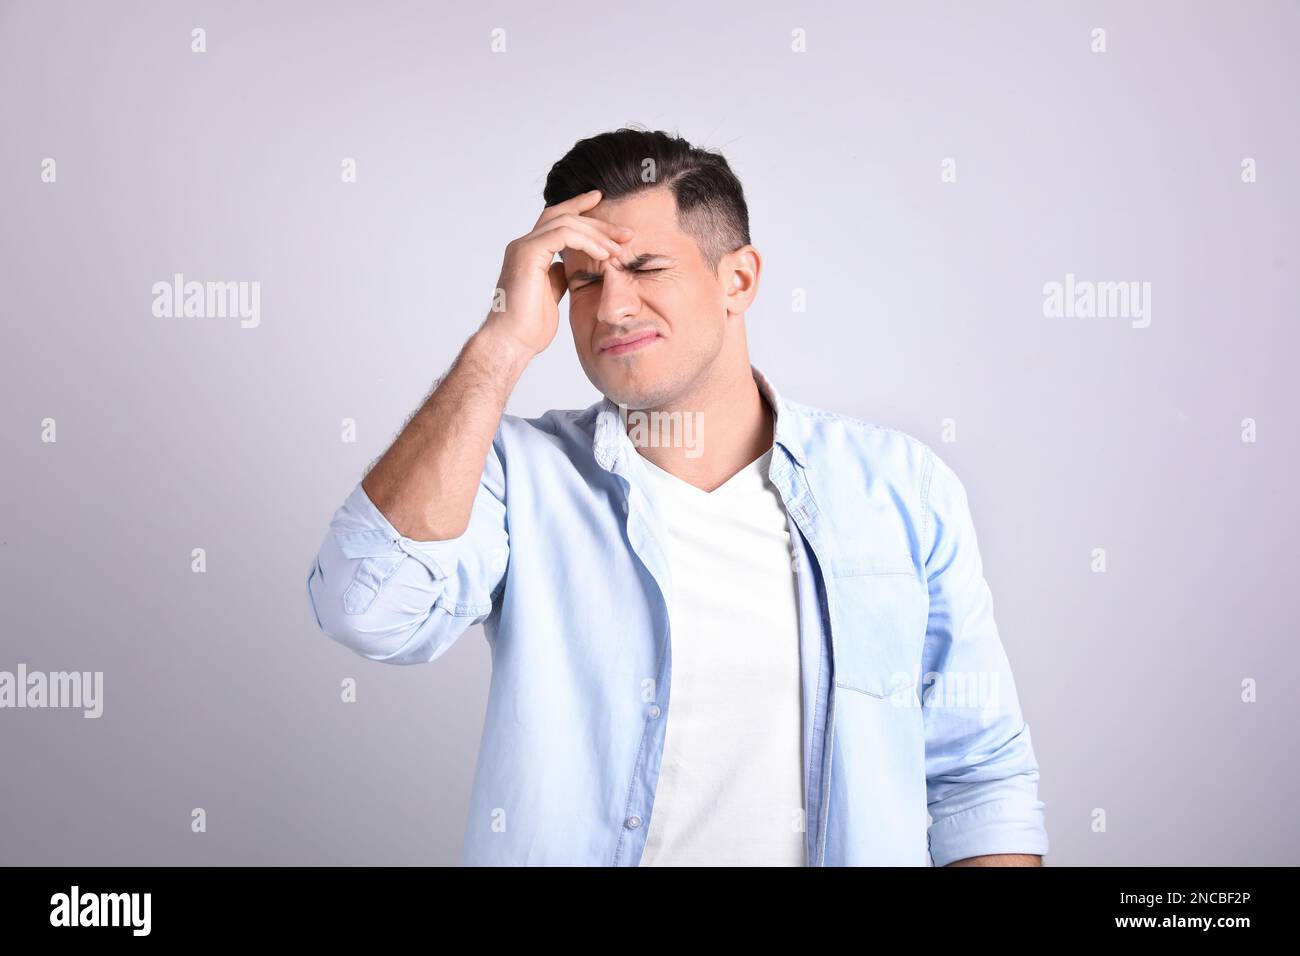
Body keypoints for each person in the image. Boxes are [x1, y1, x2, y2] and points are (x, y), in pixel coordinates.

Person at [305, 128, 1048, 867]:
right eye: (585, 279)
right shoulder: (513, 475)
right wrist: (501, 341)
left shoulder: (899, 490)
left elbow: (980, 784)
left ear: (740, 280)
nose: (612, 308)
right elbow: (368, 610)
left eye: (645, 267)